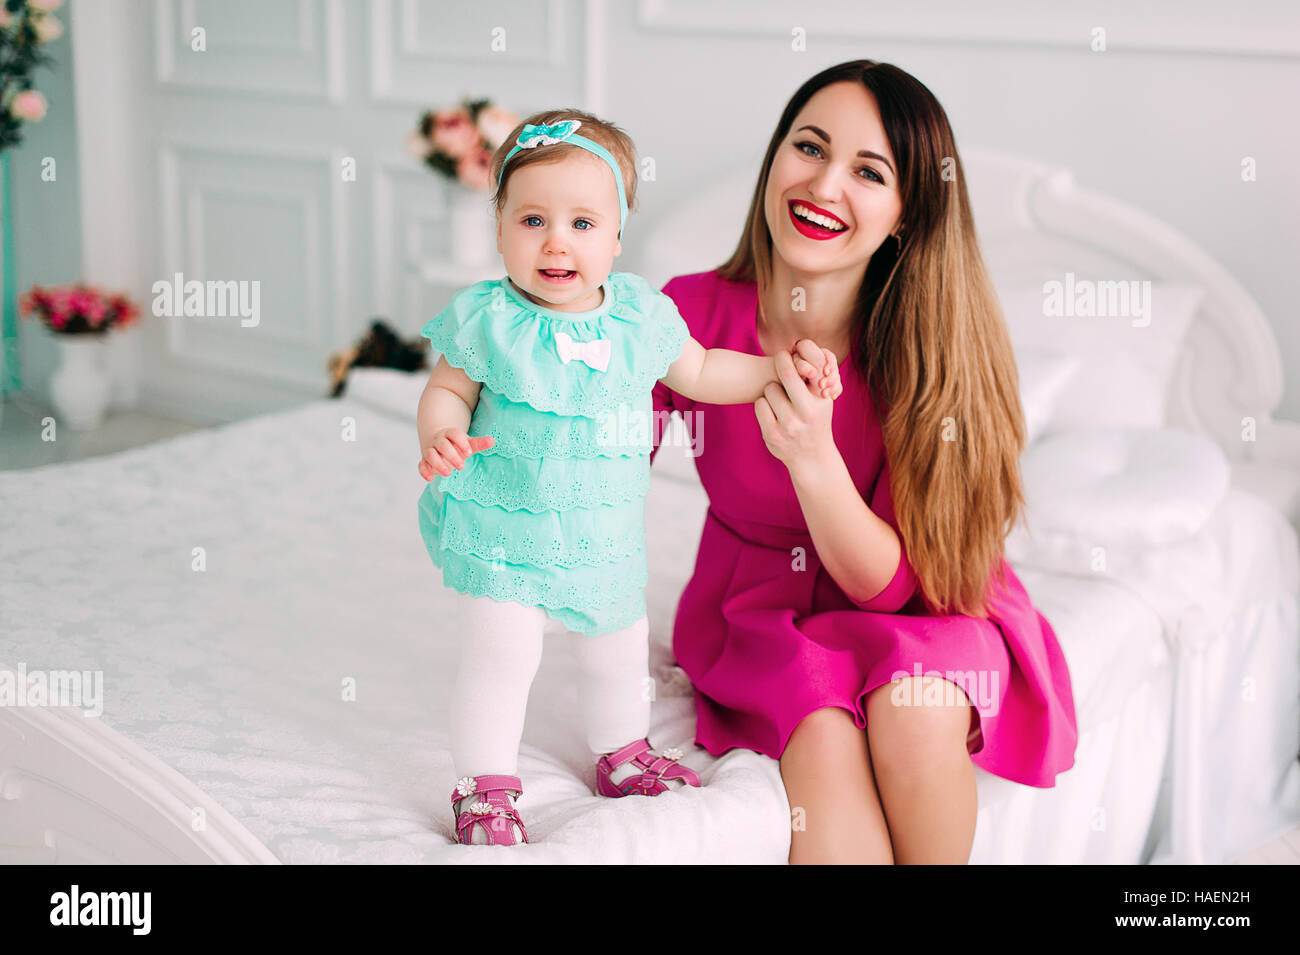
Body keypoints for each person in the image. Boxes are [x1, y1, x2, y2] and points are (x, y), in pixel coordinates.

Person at [651, 60, 1079, 864]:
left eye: (869, 172)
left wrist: (812, 458)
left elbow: (888, 588)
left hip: (918, 604)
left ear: (906, 217)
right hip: (759, 610)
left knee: (914, 713)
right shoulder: (690, 312)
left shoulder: (931, 356)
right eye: (808, 147)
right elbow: (603, 449)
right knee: (819, 736)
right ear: (775, 157)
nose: (824, 184)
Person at [415, 110, 843, 845]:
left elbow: (705, 368)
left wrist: (776, 366)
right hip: (506, 530)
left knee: (617, 647)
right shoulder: (489, 320)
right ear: (500, 229)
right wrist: (440, 431)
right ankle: (484, 783)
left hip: (602, 536)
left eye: (583, 223)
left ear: (615, 237)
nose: (556, 240)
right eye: (532, 219)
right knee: (502, 653)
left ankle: (621, 751)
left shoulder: (640, 319)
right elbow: (447, 390)